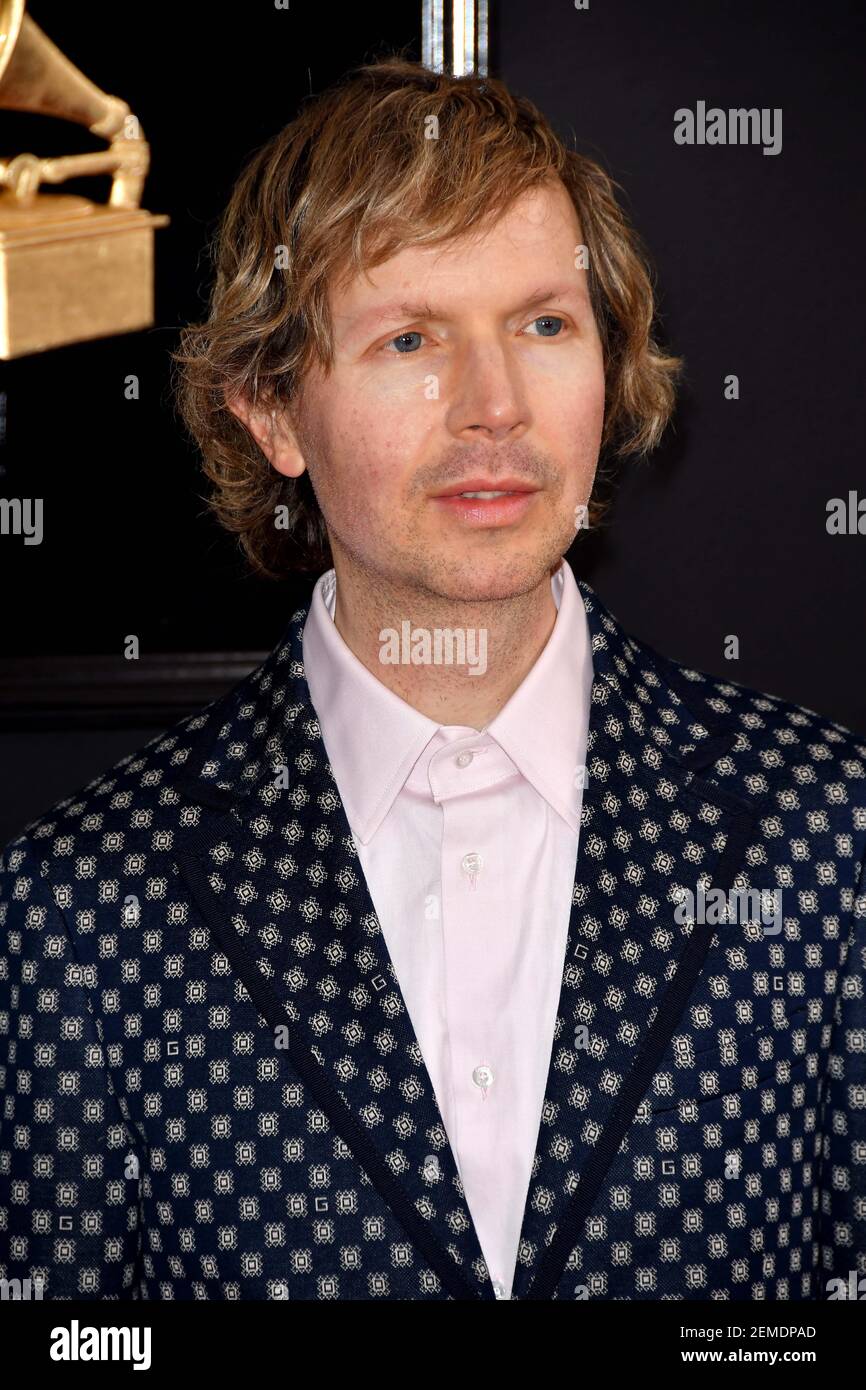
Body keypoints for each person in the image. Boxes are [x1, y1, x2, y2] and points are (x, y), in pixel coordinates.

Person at [1, 58, 863, 1302]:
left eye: (542, 325)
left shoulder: (827, 834)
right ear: (271, 410)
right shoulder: (77, 909)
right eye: (411, 337)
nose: (494, 406)